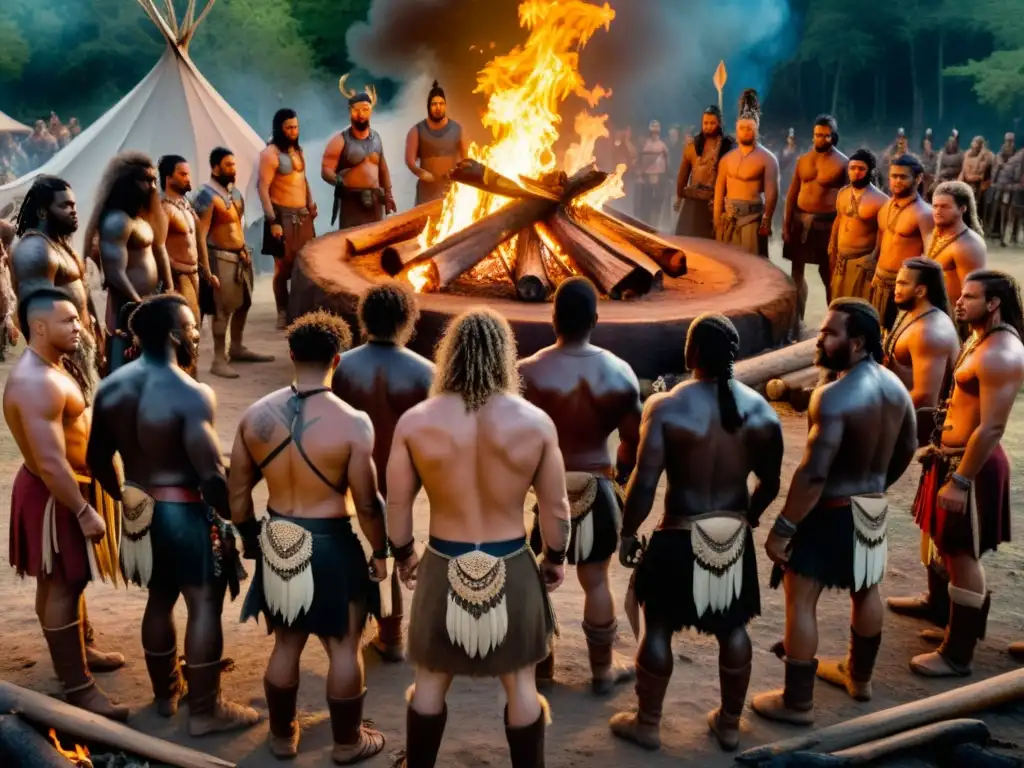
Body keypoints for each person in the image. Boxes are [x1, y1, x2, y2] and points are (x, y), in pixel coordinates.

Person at [385, 308, 570, 767]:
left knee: (429, 681)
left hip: (443, 563)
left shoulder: (415, 422)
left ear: (449, 356)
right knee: (521, 684)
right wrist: (555, 558)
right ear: (504, 355)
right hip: (512, 563)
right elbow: (556, 508)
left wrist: (405, 554)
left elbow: (397, 503)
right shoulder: (536, 423)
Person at [87, 294, 261, 735]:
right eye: (191, 326)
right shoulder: (193, 392)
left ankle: (166, 697)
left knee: (159, 598)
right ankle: (205, 710)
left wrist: (127, 499)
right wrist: (239, 524)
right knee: (203, 602)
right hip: (184, 514)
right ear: (171, 334)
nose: (197, 334)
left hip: (141, 514)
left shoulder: (110, 386)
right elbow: (211, 477)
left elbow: (98, 459)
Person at [609, 314, 782, 752]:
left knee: (660, 627)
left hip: (678, 535)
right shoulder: (762, 411)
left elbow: (644, 482)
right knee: (733, 627)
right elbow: (771, 483)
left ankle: (648, 723)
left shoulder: (665, 406)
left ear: (692, 353)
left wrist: (628, 534)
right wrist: (752, 517)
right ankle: (728, 724)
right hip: (732, 536)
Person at [230, 310, 389, 762]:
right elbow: (367, 503)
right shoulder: (354, 423)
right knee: (343, 644)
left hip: (277, 539)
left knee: (287, 641)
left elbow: (237, 491)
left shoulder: (255, 415)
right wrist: (380, 552)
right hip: (331, 543)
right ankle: (347, 742)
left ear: (291, 354)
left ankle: (283, 738)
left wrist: (247, 539)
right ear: (338, 360)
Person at [754, 298, 916, 723]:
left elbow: (812, 474)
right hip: (872, 508)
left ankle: (797, 703)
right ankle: (859, 679)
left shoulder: (832, 397)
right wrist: (876, 485)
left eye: (830, 333)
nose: (821, 339)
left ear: (858, 342)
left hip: (830, 511)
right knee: (867, 589)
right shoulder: (898, 389)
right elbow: (907, 449)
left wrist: (783, 528)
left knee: (800, 598)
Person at [4, 290, 125, 719]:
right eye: (67, 321)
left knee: (58, 582)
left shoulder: (50, 368)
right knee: (61, 584)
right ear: (39, 327)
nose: (78, 326)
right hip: (58, 495)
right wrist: (82, 510)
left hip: (60, 490)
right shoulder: (37, 382)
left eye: (77, 318)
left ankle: (78, 651)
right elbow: (52, 463)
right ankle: (79, 687)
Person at [518, 277, 641, 695]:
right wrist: (619, 481)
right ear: (595, 319)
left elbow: (513, 439)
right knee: (597, 580)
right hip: (599, 483)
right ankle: (602, 671)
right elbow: (631, 442)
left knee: (539, 577)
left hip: (548, 492)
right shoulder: (620, 372)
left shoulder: (528, 373)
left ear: (553, 317)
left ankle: (542, 670)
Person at [908, 271, 1024, 677]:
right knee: (947, 545)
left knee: (962, 553)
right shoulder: (980, 339)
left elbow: (991, 427)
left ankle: (958, 654)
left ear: (993, 303)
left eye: (970, 297)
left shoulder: (1000, 352)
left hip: (971, 466)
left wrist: (960, 480)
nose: (958, 301)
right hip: (953, 457)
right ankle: (950, 622)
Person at [332, 281, 435, 663]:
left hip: (355, 471)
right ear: (408, 319)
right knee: (395, 544)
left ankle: (374, 632)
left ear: (364, 318)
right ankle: (392, 634)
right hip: (405, 474)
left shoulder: (343, 366)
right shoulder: (426, 372)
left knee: (370, 546)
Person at [882, 258, 961, 631]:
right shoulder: (914, 317)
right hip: (925, 433)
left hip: (933, 435)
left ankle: (949, 617)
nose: (895, 287)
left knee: (943, 526)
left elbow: (924, 397)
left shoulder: (930, 330)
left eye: (902, 283)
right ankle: (935, 601)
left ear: (921, 289)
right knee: (930, 520)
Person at [10, 176, 104, 397]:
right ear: (43, 212)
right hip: (61, 358)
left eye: (73, 205)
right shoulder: (35, 250)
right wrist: (59, 364)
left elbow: (83, 292)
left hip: (80, 348)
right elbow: (37, 317)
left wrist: (97, 335)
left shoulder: (59, 243)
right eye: (64, 205)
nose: (73, 211)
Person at [83, 152, 173, 375]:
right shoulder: (117, 220)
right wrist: (138, 304)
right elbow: (115, 272)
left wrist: (169, 288)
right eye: (145, 180)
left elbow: (159, 248)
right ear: (126, 183)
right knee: (125, 364)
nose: (152, 186)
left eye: (154, 180)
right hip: (128, 308)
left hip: (149, 301)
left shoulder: (141, 218)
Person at [195, 147, 274, 378]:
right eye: (228, 165)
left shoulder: (234, 193)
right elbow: (201, 234)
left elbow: (238, 226)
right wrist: (206, 268)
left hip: (240, 257)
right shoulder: (206, 196)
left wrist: (243, 249)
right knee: (222, 309)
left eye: (234, 165)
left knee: (244, 303)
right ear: (215, 167)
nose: (233, 169)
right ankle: (218, 360)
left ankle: (236, 347)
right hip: (219, 258)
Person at [783, 115, 849, 324]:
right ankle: (795, 318)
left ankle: (833, 320)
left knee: (828, 275)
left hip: (826, 226)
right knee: (796, 272)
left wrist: (842, 233)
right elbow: (792, 194)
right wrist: (786, 225)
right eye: (817, 135)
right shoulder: (803, 160)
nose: (820, 139)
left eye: (825, 136)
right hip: (800, 222)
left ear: (833, 136)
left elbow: (848, 199)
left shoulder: (843, 163)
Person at [259, 108, 318, 330]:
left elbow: (304, 181)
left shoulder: (298, 151)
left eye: (296, 127)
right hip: (281, 217)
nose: (294, 131)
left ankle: (300, 311)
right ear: (280, 129)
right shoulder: (270, 154)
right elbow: (263, 188)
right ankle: (282, 313)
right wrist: (272, 220)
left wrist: (310, 204)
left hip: (303, 216)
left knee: (304, 266)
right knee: (282, 268)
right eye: (289, 128)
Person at [159, 155, 217, 353]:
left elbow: (200, 240)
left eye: (188, 174)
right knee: (185, 329)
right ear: (168, 178)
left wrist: (207, 272)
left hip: (195, 275)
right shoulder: (164, 209)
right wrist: (172, 274)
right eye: (182, 174)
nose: (187, 178)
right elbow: (158, 247)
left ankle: (191, 374)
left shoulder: (186, 206)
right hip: (179, 277)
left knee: (194, 329)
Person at [714, 89, 780, 257]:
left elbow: (772, 193)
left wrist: (767, 219)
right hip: (728, 217)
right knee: (727, 266)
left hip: (752, 219)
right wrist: (717, 220)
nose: (744, 131)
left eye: (749, 128)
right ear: (736, 129)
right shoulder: (727, 159)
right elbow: (719, 192)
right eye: (741, 128)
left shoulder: (767, 159)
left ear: (756, 130)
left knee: (752, 264)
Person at [322, 79, 396, 229]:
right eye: (356, 110)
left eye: (365, 109)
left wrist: (388, 195)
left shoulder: (376, 138)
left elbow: (382, 168)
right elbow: (326, 170)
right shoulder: (339, 141)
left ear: (371, 111)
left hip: (375, 202)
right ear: (350, 111)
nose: (361, 114)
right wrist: (341, 181)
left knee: (377, 241)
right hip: (351, 203)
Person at [870, 155, 933, 331]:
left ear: (918, 178)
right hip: (879, 283)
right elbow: (881, 242)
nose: (897, 181)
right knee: (878, 334)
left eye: (903, 177)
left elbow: (930, 255)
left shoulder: (924, 214)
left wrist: (915, 288)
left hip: (904, 287)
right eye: (894, 176)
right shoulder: (885, 207)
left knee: (899, 337)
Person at [829, 149, 888, 302]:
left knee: (857, 307)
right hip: (841, 260)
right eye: (852, 168)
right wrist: (832, 247)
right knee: (838, 304)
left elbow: (884, 233)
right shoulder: (842, 193)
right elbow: (838, 221)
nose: (856, 172)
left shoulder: (881, 200)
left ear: (870, 171)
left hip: (862, 263)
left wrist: (873, 258)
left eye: (861, 169)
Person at [927, 181, 987, 330]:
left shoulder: (968, 245)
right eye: (935, 206)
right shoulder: (937, 234)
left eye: (945, 206)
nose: (938, 211)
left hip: (952, 322)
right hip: (933, 315)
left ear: (962, 209)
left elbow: (974, 294)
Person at [674, 106, 736, 239]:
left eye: (712, 123)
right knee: (687, 241)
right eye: (705, 123)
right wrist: (679, 195)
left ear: (719, 123)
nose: (708, 126)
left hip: (715, 202)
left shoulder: (728, 146)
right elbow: (683, 175)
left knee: (711, 245)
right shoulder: (692, 147)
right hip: (693, 202)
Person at [405, 80, 465, 206]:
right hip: (427, 192)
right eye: (434, 104)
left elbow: (467, 159)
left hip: (451, 190)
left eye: (441, 104)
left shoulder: (458, 129)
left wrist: (458, 173)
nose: (438, 107)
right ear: (428, 106)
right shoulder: (416, 130)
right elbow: (410, 161)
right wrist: (423, 174)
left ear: (446, 105)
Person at [987, 135, 1021, 243]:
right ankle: (991, 231)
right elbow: (995, 170)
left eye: (1010, 140)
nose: (1008, 143)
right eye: (1007, 140)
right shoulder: (1000, 154)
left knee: (1006, 211)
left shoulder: (1016, 156)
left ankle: (1004, 234)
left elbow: (1017, 174)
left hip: (1009, 188)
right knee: (994, 208)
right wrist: (994, 182)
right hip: (998, 186)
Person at [636, 121, 670, 226]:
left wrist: (667, 176)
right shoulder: (645, 144)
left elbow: (668, 161)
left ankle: (655, 225)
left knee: (657, 202)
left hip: (659, 177)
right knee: (646, 201)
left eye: (657, 132)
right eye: (653, 132)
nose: (655, 134)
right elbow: (640, 160)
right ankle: (644, 223)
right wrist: (640, 175)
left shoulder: (662, 146)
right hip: (646, 176)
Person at [959, 137, 994, 224]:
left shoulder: (987, 156)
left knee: (977, 208)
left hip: (979, 187)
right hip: (967, 183)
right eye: (973, 145)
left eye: (977, 146)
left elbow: (982, 171)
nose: (974, 147)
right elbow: (965, 172)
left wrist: (982, 155)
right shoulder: (967, 154)